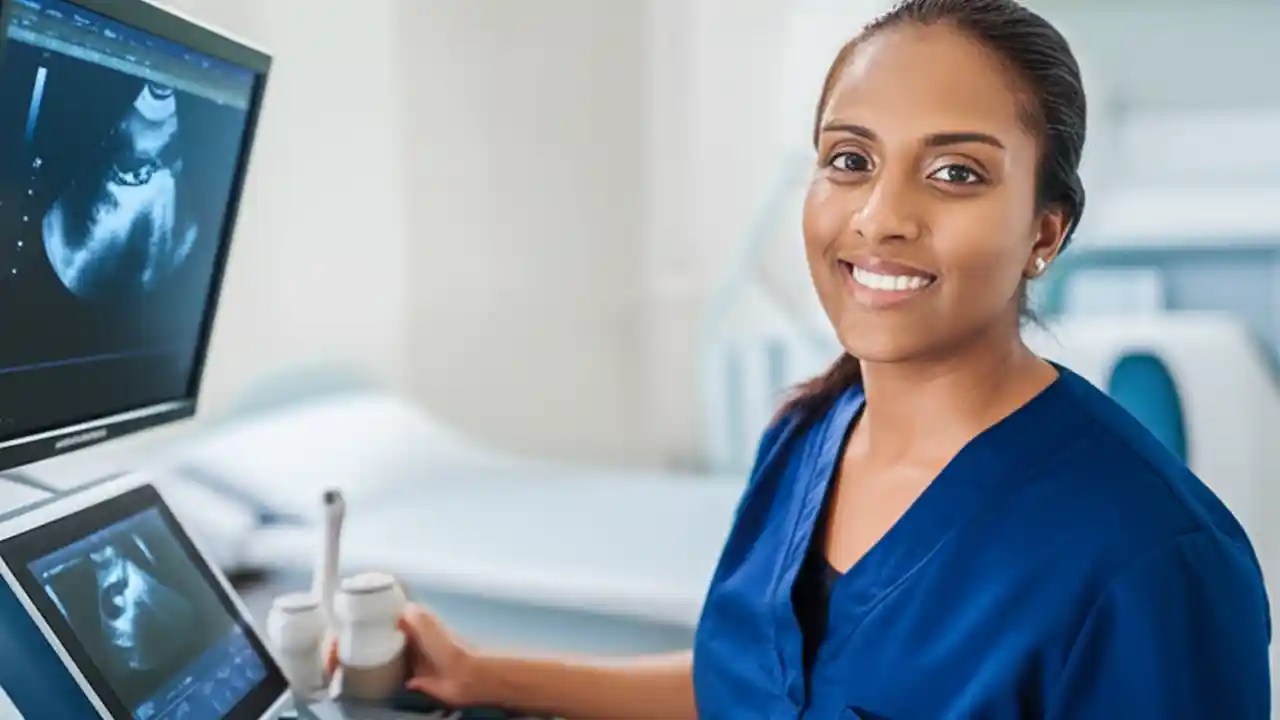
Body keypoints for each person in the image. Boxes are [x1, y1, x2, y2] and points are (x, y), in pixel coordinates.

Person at [332, 0, 1272, 716]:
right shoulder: (807, 437)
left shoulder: (1151, 563)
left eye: (956, 173)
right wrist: (482, 671)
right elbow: (748, 688)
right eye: (850, 160)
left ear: (1045, 231)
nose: (880, 217)